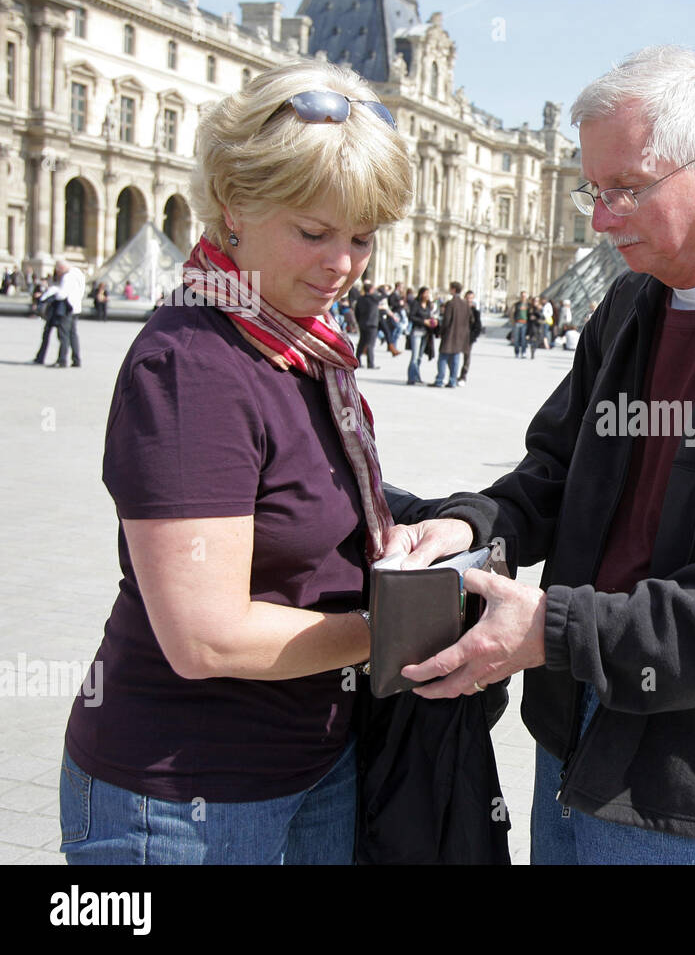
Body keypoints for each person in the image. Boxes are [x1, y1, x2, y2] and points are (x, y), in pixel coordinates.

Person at [383, 45, 695, 865]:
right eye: (593, 188)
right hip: (569, 720)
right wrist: (467, 522)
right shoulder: (630, 303)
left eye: (626, 189)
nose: (599, 217)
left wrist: (555, 627)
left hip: (686, 768)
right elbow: (554, 469)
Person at [57, 59, 441, 865]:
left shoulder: (296, 344)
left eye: (362, 236)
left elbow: (304, 500)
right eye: (314, 231)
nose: (343, 263)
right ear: (234, 206)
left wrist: (431, 527)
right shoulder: (195, 365)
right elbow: (207, 636)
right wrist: (394, 632)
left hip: (310, 764)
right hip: (182, 799)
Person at [33, 260, 86, 367]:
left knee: (63, 335)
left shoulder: (68, 277)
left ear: (61, 269)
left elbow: (62, 294)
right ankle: (76, 359)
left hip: (66, 309)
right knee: (72, 335)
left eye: (58, 271)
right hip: (76, 308)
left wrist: (53, 292)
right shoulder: (79, 274)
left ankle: (62, 360)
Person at [431, 280, 470, 387]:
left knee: (443, 358)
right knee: (455, 359)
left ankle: (440, 380)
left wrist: (441, 332)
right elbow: (469, 320)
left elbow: (446, 321)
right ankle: (453, 381)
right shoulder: (465, 304)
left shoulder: (451, 303)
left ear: (453, 289)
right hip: (460, 336)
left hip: (450, 335)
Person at [353, 279, 382, 368]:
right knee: (370, 343)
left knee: (362, 342)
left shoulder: (360, 299)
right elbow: (384, 295)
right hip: (372, 323)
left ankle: (357, 360)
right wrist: (378, 289)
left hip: (363, 323)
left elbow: (356, 312)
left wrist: (359, 321)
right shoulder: (374, 298)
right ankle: (370, 363)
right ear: (371, 290)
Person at [407, 286, 433, 384]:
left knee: (420, 357)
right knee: (414, 356)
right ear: (421, 294)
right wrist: (423, 321)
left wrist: (431, 321)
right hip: (416, 332)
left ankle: (417, 376)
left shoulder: (428, 304)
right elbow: (411, 317)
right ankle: (411, 378)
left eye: (428, 293)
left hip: (425, 333)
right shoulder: (416, 303)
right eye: (425, 293)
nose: (427, 295)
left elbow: (429, 315)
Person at [458, 289, 482, 384]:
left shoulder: (475, 312)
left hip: (469, 337)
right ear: (465, 298)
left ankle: (463, 375)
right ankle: (454, 373)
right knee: (453, 356)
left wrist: (472, 337)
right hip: (459, 336)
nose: (469, 300)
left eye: (471, 298)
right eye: (467, 298)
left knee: (467, 357)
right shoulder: (460, 309)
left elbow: (478, 326)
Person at [511, 290, 529, 357]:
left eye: (524, 296)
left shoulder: (528, 305)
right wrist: (513, 322)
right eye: (522, 296)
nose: (523, 297)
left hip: (525, 323)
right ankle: (516, 352)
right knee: (516, 339)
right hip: (517, 323)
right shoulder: (516, 304)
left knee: (523, 339)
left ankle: (523, 352)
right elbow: (512, 313)